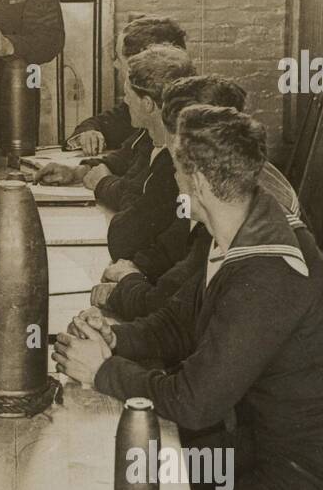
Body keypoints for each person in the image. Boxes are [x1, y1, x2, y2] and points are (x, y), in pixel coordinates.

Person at [52, 105, 323, 490]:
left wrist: (103, 371)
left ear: (199, 185)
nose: (172, 180)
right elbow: (176, 325)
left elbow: (194, 404)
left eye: (175, 169)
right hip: (272, 446)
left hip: (321, 478)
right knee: (139, 480)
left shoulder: (266, 272)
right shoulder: (236, 228)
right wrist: (116, 336)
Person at [95, 75, 303, 320]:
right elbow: (179, 259)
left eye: (176, 138)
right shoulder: (233, 180)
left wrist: (129, 283)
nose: (174, 154)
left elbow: (174, 306)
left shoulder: (228, 199)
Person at [38, 44, 196, 228]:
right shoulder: (149, 136)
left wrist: (104, 184)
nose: (125, 102)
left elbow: (136, 209)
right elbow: (124, 158)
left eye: (128, 95)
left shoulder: (176, 155)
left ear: (147, 104)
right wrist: (78, 173)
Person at [65, 14, 189, 177]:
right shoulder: (151, 101)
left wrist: (103, 183)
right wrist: (80, 171)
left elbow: (140, 191)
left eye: (119, 58)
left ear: (143, 60)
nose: (115, 65)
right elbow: (128, 153)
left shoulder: (179, 119)